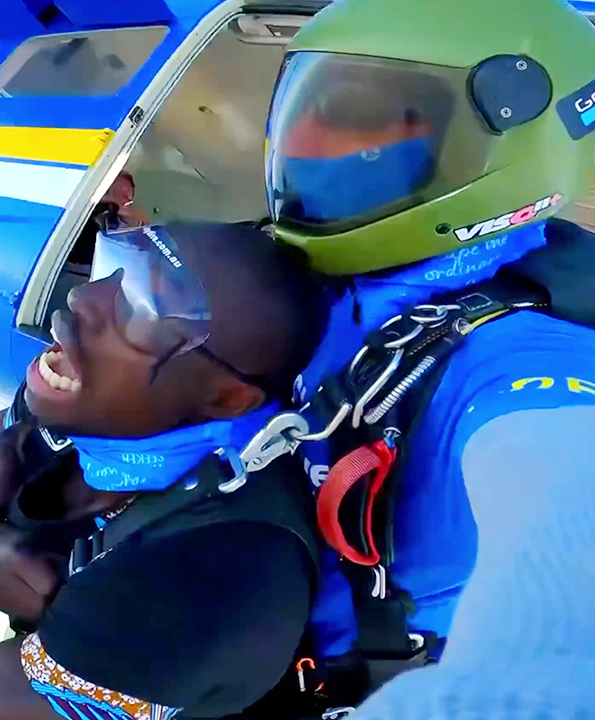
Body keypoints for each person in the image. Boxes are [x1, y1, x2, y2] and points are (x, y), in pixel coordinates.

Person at [248, 0, 595, 712]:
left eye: (371, 118)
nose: (313, 141)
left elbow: (568, 546)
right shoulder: (326, 274)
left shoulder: (518, 365)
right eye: (313, 104)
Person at [0, 221, 326, 720]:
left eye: (146, 311)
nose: (83, 299)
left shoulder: (200, 583)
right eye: (118, 266)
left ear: (227, 398)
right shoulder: (91, 404)